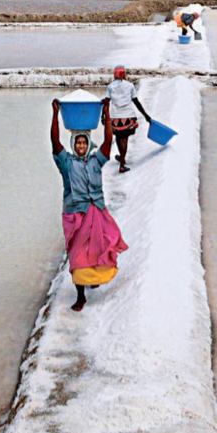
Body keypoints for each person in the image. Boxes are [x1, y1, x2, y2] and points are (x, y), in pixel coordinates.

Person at [51, 98, 128, 312]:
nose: (81, 146)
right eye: (78, 143)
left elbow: (108, 140)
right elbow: (55, 142)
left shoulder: (96, 161)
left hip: (96, 212)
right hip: (75, 215)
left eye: (84, 143)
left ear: (88, 144)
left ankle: (94, 278)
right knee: (77, 255)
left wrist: (106, 113)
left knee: (98, 248)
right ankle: (80, 296)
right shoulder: (67, 163)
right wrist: (55, 115)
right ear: (73, 144)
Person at [105, 66, 151, 174]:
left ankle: (122, 158)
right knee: (124, 138)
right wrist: (146, 115)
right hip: (128, 117)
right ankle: (122, 163)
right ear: (123, 74)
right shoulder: (130, 86)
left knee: (118, 137)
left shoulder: (110, 87)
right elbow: (136, 102)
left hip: (115, 118)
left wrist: (103, 116)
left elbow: (106, 102)